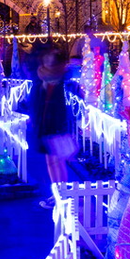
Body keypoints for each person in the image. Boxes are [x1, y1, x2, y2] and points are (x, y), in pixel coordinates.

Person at [34, 48, 76, 185]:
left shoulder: (63, 81)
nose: (46, 63)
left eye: (50, 60)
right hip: (45, 125)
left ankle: (61, 191)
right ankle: (56, 192)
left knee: (58, 161)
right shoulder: (43, 79)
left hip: (58, 126)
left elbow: (64, 107)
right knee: (51, 161)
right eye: (46, 60)